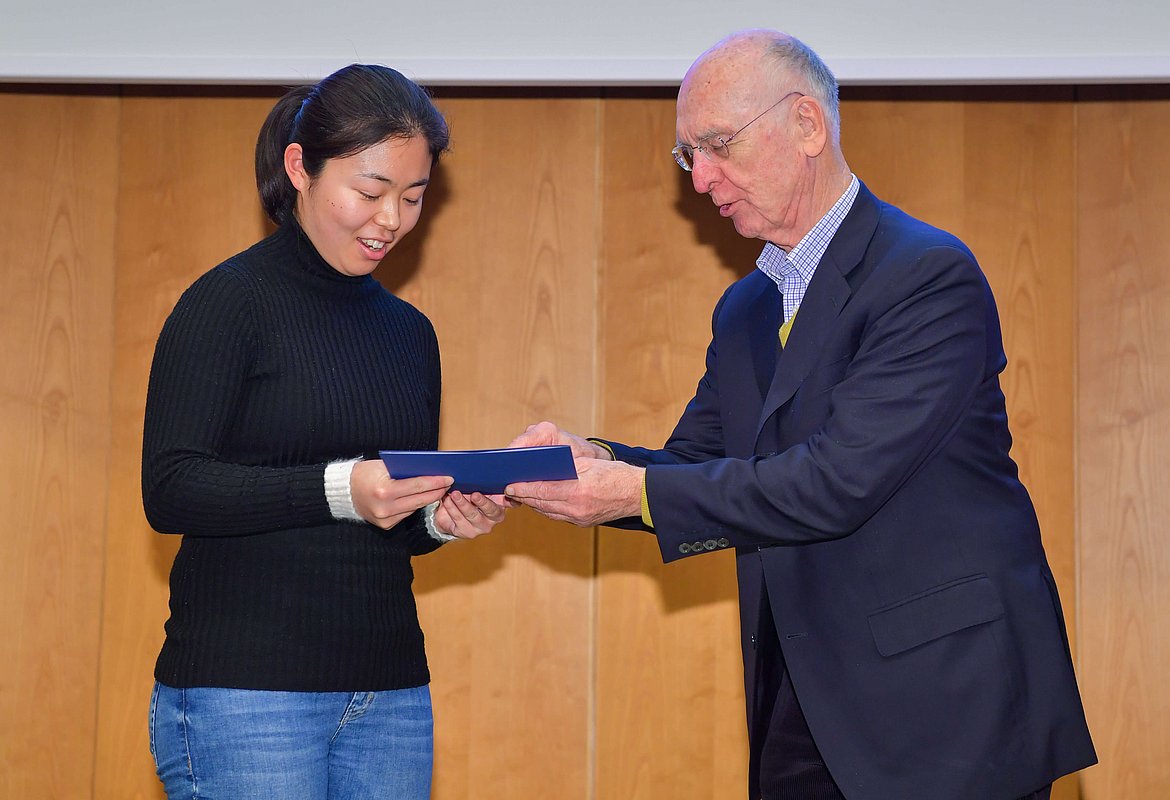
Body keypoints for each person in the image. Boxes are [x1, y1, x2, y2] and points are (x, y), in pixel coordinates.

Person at [506, 30, 1096, 800]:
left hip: (946, 704)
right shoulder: (747, 307)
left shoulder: (925, 276)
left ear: (807, 125)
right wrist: (593, 462)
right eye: (689, 156)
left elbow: (837, 481)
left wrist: (632, 490)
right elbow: (697, 466)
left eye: (718, 145)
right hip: (803, 699)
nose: (701, 179)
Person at [141, 64, 506, 799]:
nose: (391, 220)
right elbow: (172, 488)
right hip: (246, 694)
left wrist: (441, 518)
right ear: (299, 168)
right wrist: (342, 488)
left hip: (389, 694)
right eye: (370, 192)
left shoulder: (410, 334)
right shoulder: (227, 301)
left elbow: (389, 520)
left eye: (413, 197)